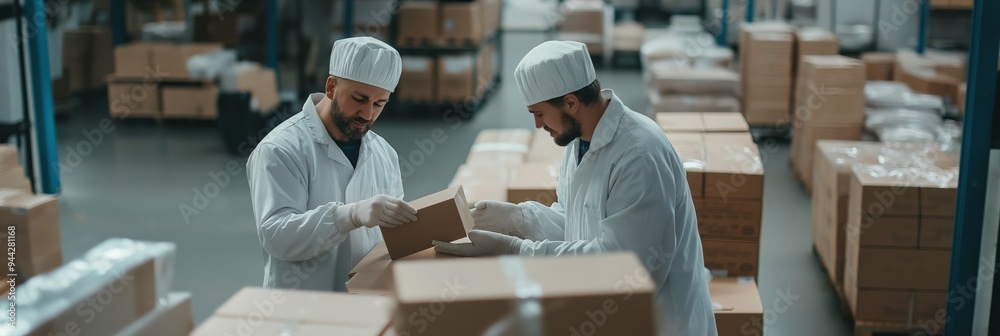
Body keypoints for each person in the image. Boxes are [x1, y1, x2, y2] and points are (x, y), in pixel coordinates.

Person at [433, 41, 718, 335]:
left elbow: (627, 266)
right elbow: (579, 224)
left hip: (663, 321)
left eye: (539, 113)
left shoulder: (639, 155)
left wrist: (518, 250)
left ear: (571, 103)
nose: (536, 124)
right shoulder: (580, 140)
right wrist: (521, 218)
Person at [247, 37, 417, 291]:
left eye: (379, 104)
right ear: (330, 87)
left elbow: (390, 240)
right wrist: (349, 216)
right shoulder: (281, 149)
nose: (367, 114)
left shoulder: (385, 155)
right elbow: (276, 236)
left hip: (363, 310)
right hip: (301, 313)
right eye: (359, 99)